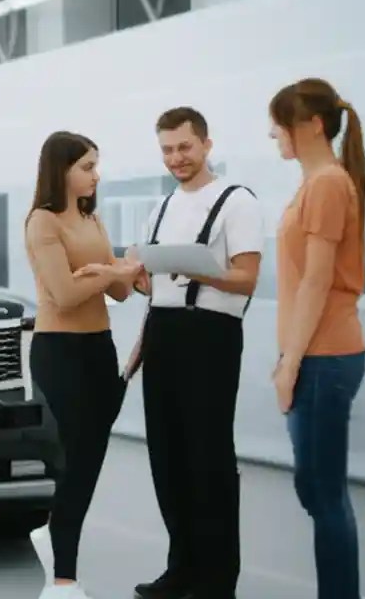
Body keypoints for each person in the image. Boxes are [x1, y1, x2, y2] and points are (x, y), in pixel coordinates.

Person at [126, 108, 264, 599]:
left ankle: (216, 580)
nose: (176, 158)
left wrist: (198, 269)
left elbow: (247, 278)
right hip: (164, 334)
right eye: (167, 149)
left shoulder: (236, 201)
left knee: (208, 459)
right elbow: (156, 288)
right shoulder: (160, 208)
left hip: (211, 337)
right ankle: (180, 567)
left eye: (184, 147)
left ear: (206, 144)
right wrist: (139, 281)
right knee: (167, 457)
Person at [24, 130, 142, 599]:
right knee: (73, 463)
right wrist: (115, 271)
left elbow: (119, 292)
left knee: (91, 459)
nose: (96, 174)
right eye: (87, 167)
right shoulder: (43, 222)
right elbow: (65, 295)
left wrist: (120, 271)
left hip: (99, 347)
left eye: (96, 165)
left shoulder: (92, 220)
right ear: (63, 170)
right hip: (60, 351)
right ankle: (65, 579)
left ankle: (52, 534)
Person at [267, 78, 365, 599]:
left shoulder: (329, 182)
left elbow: (317, 280)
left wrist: (290, 363)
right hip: (315, 353)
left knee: (323, 494)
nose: (273, 133)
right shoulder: (315, 183)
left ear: (312, 125)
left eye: (280, 123)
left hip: (325, 355)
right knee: (316, 490)